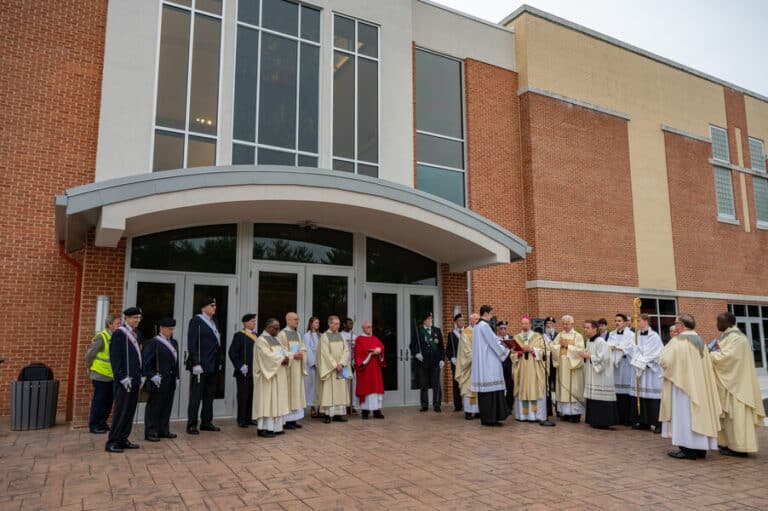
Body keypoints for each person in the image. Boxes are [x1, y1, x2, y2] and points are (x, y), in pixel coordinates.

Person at [660, 313, 722, 460]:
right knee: (699, 414)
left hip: (683, 387)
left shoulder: (677, 341)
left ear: (682, 325)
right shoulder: (700, 341)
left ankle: (688, 448)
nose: (675, 326)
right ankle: (700, 449)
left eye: (676, 323)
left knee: (684, 415)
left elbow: (665, 361)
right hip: (700, 387)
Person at [710, 312, 766, 457]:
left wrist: (711, 353)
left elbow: (727, 359)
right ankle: (730, 444)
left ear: (727, 323)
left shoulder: (737, 339)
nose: (716, 325)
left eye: (718, 322)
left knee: (738, 418)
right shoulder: (728, 337)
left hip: (737, 387)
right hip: (730, 384)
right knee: (730, 419)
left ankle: (741, 448)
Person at [105, 307, 143, 453]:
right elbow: (115, 358)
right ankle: (112, 441)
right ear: (126, 318)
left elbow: (138, 356)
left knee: (130, 411)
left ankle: (123, 438)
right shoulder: (119, 334)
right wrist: (121, 377)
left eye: (139, 318)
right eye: (135, 318)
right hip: (124, 380)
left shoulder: (137, 334)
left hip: (134, 379)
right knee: (121, 411)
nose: (137, 320)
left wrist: (141, 374)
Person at [186, 297, 222, 435]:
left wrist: (219, 362)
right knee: (196, 395)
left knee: (209, 395)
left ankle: (206, 422)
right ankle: (192, 424)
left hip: (213, 364)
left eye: (215, 305)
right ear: (204, 307)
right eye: (212, 306)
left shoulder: (215, 321)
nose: (214, 308)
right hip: (201, 364)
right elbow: (191, 343)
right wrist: (195, 363)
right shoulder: (196, 321)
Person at [471, 305, 511, 426]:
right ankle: (491, 419)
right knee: (491, 392)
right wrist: (507, 348)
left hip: (482, 364)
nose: (492, 316)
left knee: (485, 394)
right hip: (489, 364)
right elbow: (494, 342)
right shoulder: (484, 326)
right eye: (491, 314)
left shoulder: (477, 327)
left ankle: (486, 418)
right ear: (486, 313)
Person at [142, 317, 179, 442]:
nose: (171, 331)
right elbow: (145, 363)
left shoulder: (174, 343)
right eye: (169, 329)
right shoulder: (153, 343)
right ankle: (151, 431)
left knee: (166, 406)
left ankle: (164, 430)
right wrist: (152, 375)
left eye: (172, 329)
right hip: (157, 380)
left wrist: (177, 376)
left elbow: (175, 363)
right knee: (155, 407)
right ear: (162, 328)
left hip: (170, 380)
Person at [253, 318, 290, 437]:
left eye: (279, 328)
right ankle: (263, 428)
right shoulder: (261, 340)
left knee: (277, 400)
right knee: (267, 401)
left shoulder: (276, 339)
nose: (278, 330)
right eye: (276, 328)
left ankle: (276, 427)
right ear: (268, 328)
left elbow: (283, 351)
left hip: (278, 375)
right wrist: (281, 359)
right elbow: (266, 356)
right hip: (267, 377)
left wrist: (287, 357)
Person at [511, 316, 552, 425]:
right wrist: (519, 353)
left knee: (535, 388)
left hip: (534, 370)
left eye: (526, 324)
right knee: (522, 389)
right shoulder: (516, 338)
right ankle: (523, 415)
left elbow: (546, 352)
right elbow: (512, 355)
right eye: (522, 324)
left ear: (530, 325)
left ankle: (536, 415)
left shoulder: (538, 337)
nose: (524, 326)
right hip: (522, 370)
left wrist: (532, 349)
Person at [85, 314, 121, 434]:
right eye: (117, 324)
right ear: (110, 325)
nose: (119, 326)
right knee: (99, 401)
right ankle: (94, 424)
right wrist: (90, 368)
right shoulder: (102, 337)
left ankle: (102, 422)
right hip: (100, 375)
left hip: (111, 375)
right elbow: (90, 355)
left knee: (108, 401)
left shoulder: (115, 336)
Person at [581, 319, 619, 429]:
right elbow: (589, 355)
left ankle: (603, 421)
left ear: (595, 329)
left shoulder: (601, 341)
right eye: (584, 327)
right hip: (592, 373)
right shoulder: (588, 341)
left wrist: (589, 357)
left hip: (601, 375)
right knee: (593, 398)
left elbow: (605, 358)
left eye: (587, 327)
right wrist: (584, 355)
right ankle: (594, 420)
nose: (585, 329)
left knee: (601, 398)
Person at [629, 314, 663, 433]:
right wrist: (637, 357)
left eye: (638, 321)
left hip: (650, 370)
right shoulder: (636, 335)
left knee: (652, 399)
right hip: (640, 369)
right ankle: (644, 422)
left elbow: (654, 353)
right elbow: (633, 349)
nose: (636, 323)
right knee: (641, 396)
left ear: (646, 321)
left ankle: (658, 424)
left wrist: (640, 360)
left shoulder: (654, 336)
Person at [551, 315, 585, 423]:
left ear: (572, 324)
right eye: (563, 324)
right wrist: (559, 346)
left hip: (572, 366)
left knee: (573, 388)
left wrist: (567, 347)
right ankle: (565, 413)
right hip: (562, 365)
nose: (565, 326)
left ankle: (575, 414)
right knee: (563, 389)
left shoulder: (578, 336)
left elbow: (580, 351)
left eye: (567, 324)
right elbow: (553, 347)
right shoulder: (560, 335)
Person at [317, 315, 351, 423]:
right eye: (335, 324)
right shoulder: (324, 336)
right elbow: (325, 353)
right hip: (331, 369)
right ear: (329, 324)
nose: (337, 326)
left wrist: (342, 363)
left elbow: (346, 350)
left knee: (340, 390)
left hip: (340, 367)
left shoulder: (341, 336)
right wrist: (335, 365)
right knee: (329, 391)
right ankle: (328, 414)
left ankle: (339, 414)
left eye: (338, 324)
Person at [410, 312, 445, 412]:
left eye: (431, 319)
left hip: (435, 362)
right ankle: (424, 405)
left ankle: (437, 404)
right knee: (423, 384)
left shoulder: (437, 331)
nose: (431, 320)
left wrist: (442, 359)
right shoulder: (418, 331)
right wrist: (416, 354)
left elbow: (441, 347)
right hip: (423, 362)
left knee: (436, 384)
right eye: (429, 319)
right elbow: (412, 345)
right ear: (424, 321)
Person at [277, 312, 306, 430]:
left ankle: (294, 419)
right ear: (287, 320)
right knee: (289, 393)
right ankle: (287, 421)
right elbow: (281, 351)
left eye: (298, 319)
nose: (297, 321)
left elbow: (303, 346)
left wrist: (302, 353)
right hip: (288, 368)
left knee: (296, 393)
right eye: (295, 319)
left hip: (297, 367)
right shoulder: (282, 334)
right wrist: (293, 355)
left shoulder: (297, 334)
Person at [229, 313, 257, 428]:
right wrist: (240, 366)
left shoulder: (256, 335)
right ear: (245, 323)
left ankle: (249, 418)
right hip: (243, 371)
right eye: (252, 321)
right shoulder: (239, 335)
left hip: (254, 371)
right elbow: (232, 353)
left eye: (254, 321)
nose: (254, 323)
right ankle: (241, 419)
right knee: (243, 396)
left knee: (252, 396)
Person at [607, 313, 636, 425]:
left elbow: (632, 348)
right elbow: (608, 345)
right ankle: (617, 417)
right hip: (615, 366)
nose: (617, 323)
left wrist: (620, 348)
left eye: (619, 321)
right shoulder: (611, 334)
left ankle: (628, 419)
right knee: (616, 393)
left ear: (624, 322)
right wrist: (613, 348)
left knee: (626, 393)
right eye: (615, 321)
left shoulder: (631, 335)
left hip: (626, 365)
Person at [354, 320, 386, 419]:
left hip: (375, 368)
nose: (370, 328)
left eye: (371, 327)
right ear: (363, 328)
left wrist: (379, 351)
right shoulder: (359, 339)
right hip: (366, 369)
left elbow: (381, 347)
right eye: (368, 327)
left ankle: (377, 410)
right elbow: (358, 354)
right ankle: (365, 410)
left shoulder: (375, 338)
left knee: (376, 389)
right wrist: (369, 354)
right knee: (367, 389)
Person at [455, 313, 479, 420]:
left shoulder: (481, 331)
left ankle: (478, 411)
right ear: (471, 321)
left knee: (479, 388)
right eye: (476, 319)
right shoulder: (465, 333)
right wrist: (477, 357)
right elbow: (466, 351)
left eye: (479, 319)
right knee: (469, 388)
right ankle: (469, 411)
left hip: (479, 366)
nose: (478, 321)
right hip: (469, 366)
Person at [445, 313, 464, 412]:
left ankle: (469, 404)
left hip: (467, 363)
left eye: (462, 320)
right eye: (459, 320)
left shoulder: (468, 332)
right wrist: (452, 358)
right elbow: (448, 350)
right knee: (456, 384)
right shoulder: (451, 335)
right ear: (456, 322)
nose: (461, 322)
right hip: (456, 363)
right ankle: (458, 405)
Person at [303, 316, 321, 418]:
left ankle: (319, 406)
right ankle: (312, 407)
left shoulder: (320, 335)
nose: (317, 325)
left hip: (319, 362)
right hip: (311, 364)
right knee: (311, 385)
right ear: (311, 324)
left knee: (318, 385)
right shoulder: (306, 335)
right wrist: (313, 362)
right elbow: (307, 349)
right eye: (315, 323)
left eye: (318, 323)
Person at [341, 318, 358, 413]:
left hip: (352, 363)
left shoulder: (355, 336)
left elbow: (357, 351)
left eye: (352, 323)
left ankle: (352, 405)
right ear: (344, 325)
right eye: (349, 323)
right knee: (345, 383)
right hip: (345, 364)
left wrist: (354, 362)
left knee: (353, 384)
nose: (351, 325)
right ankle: (345, 405)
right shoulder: (340, 335)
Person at [497, 321, 515, 411]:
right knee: (499, 386)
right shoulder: (495, 339)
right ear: (498, 329)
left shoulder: (512, 338)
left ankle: (509, 405)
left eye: (505, 328)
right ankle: (500, 405)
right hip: (499, 366)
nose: (503, 330)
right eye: (501, 328)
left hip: (510, 365)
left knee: (510, 386)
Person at [542, 316, 558, 417]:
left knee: (557, 387)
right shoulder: (542, 336)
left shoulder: (558, 336)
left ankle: (558, 409)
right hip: (546, 364)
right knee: (547, 387)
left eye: (551, 324)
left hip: (556, 364)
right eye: (548, 324)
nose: (550, 325)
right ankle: (548, 410)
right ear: (545, 326)